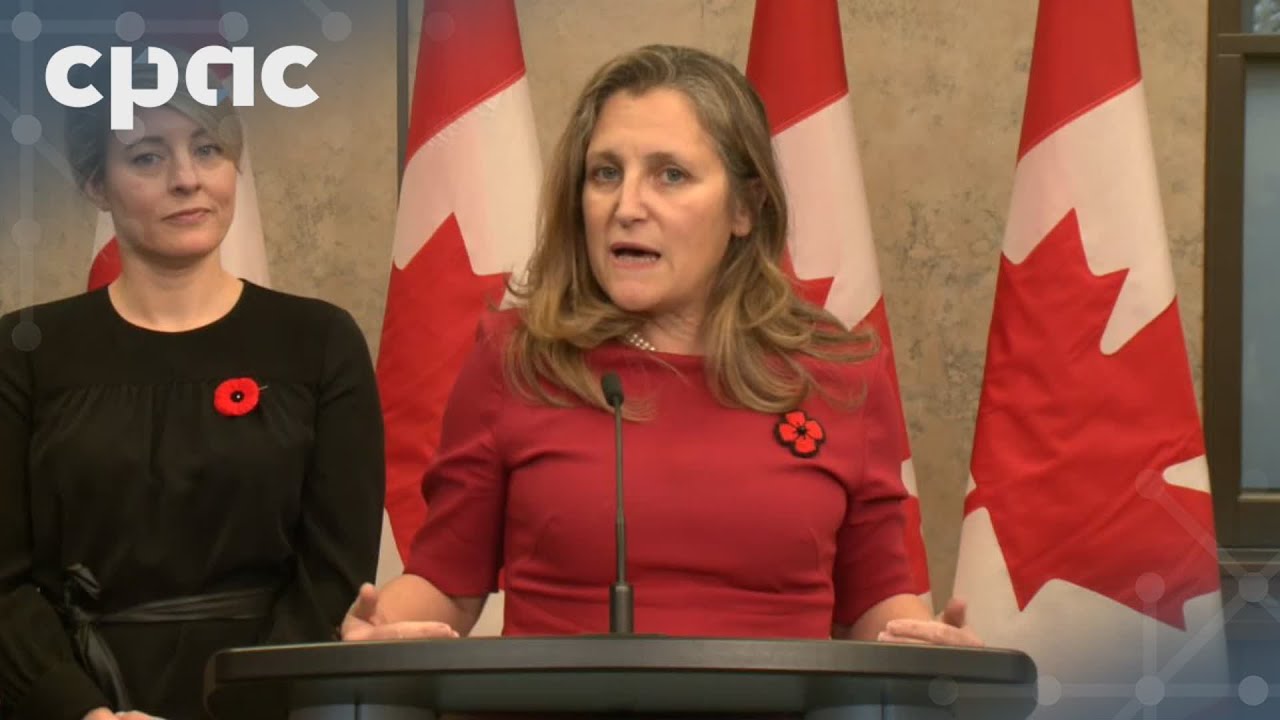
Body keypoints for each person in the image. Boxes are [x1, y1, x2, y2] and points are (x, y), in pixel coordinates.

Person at [343, 44, 975, 647]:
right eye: (605, 173)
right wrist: (380, 623)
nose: (626, 206)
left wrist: (924, 642)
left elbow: (874, 603)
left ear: (745, 207)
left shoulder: (837, 371)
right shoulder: (518, 358)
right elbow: (445, 582)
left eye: (670, 175)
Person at [0, 52, 385, 720]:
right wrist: (83, 714)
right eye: (148, 157)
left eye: (207, 149)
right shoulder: (23, 351)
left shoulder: (319, 341)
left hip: (271, 700)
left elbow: (334, 572)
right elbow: (4, 583)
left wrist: (245, 707)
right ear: (96, 183)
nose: (187, 179)